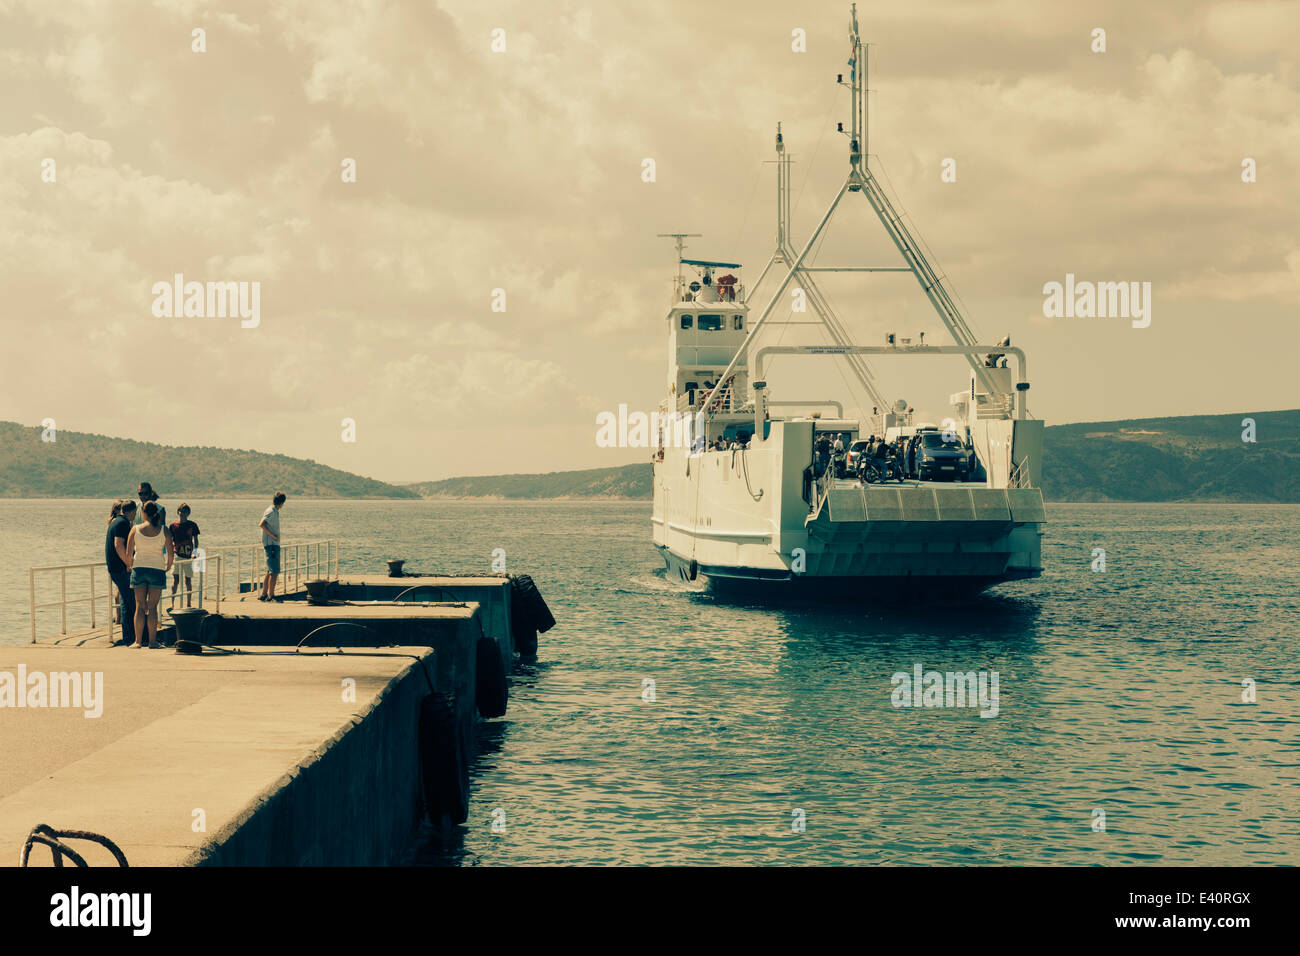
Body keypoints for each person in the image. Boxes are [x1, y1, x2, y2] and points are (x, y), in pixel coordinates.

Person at [127, 501, 172, 648]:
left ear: (143, 512)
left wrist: (130, 565)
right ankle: (153, 642)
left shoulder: (135, 529)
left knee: (140, 607)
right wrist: (168, 566)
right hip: (157, 569)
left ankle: (138, 641)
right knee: (152, 607)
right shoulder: (164, 530)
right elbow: (171, 553)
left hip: (139, 568)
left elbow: (129, 554)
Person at [104, 499, 137, 646]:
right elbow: (118, 544)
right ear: (132, 511)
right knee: (132, 601)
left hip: (115, 567)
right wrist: (128, 562)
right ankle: (134, 636)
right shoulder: (122, 523)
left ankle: (129, 636)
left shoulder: (115, 521)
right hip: (120, 568)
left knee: (125, 601)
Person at [169, 503, 201, 608]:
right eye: (181, 511)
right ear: (178, 512)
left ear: (188, 513)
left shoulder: (192, 525)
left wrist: (195, 553)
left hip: (188, 555)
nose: (182, 513)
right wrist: (171, 552)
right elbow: (169, 540)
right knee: (176, 580)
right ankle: (172, 603)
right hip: (177, 555)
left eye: (185, 511)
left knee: (188, 580)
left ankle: (188, 603)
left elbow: (196, 540)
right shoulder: (173, 526)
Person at [259, 492, 287, 601]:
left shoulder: (274, 511)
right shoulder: (271, 511)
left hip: (272, 544)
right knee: (274, 571)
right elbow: (261, 524)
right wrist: (273, 536)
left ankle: (264, 594)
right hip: (271, 545)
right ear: (281, 502)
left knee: (269, 570)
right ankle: (271, 596)